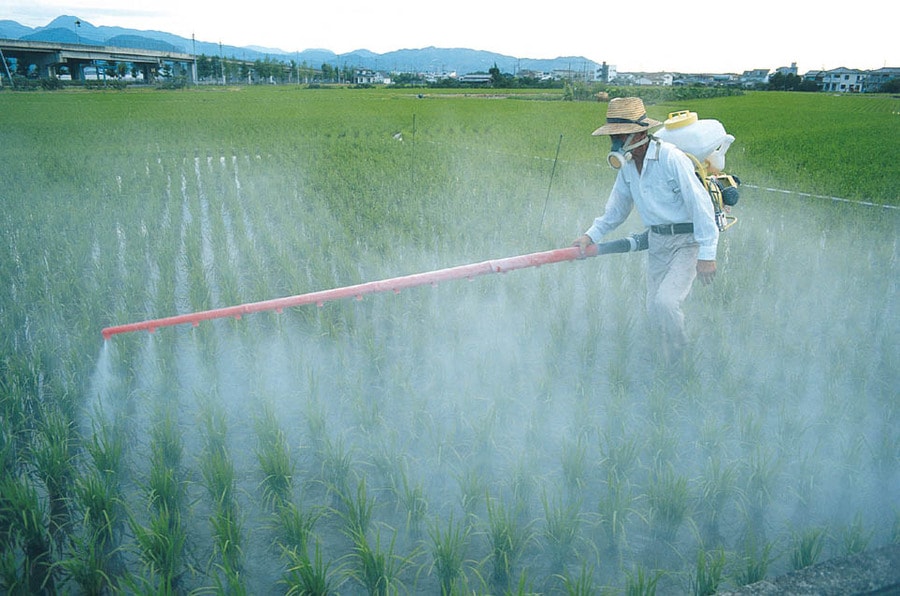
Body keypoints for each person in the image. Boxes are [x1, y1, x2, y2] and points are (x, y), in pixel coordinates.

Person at [572, 97, 718, 363]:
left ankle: (681, 354)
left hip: (687, 242)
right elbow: (616, 210)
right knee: (653, 307)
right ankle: (660, 355)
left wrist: (707, 255)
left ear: (640, 133)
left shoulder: (670, 158)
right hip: (658, 242)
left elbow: (702, 206)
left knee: (666, 302)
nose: (615, 144)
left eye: (621, 136)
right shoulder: (627, 167)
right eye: (612, 138)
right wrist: (589, 235)